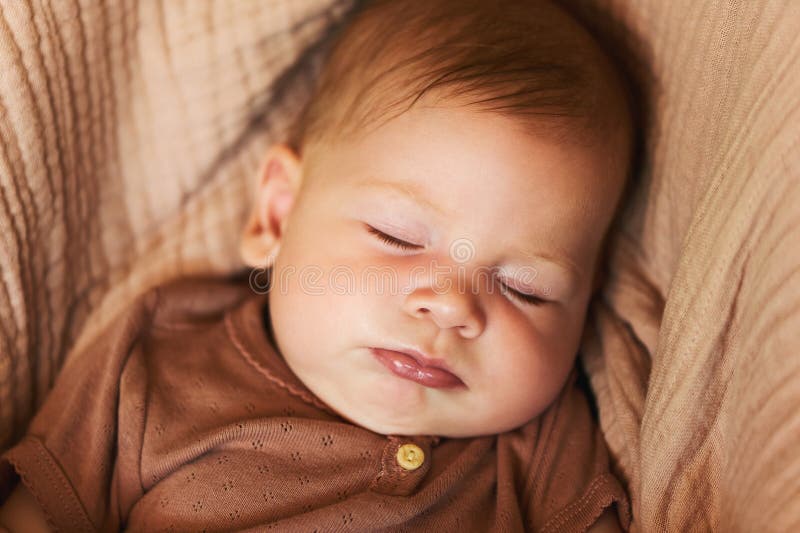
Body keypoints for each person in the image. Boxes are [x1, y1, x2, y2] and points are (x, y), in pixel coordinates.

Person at [0, 0, 636, 530]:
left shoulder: (541, 452)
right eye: (396, 235)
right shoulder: (161, 356)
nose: (448, 305)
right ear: (277, 216)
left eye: (525, 289)